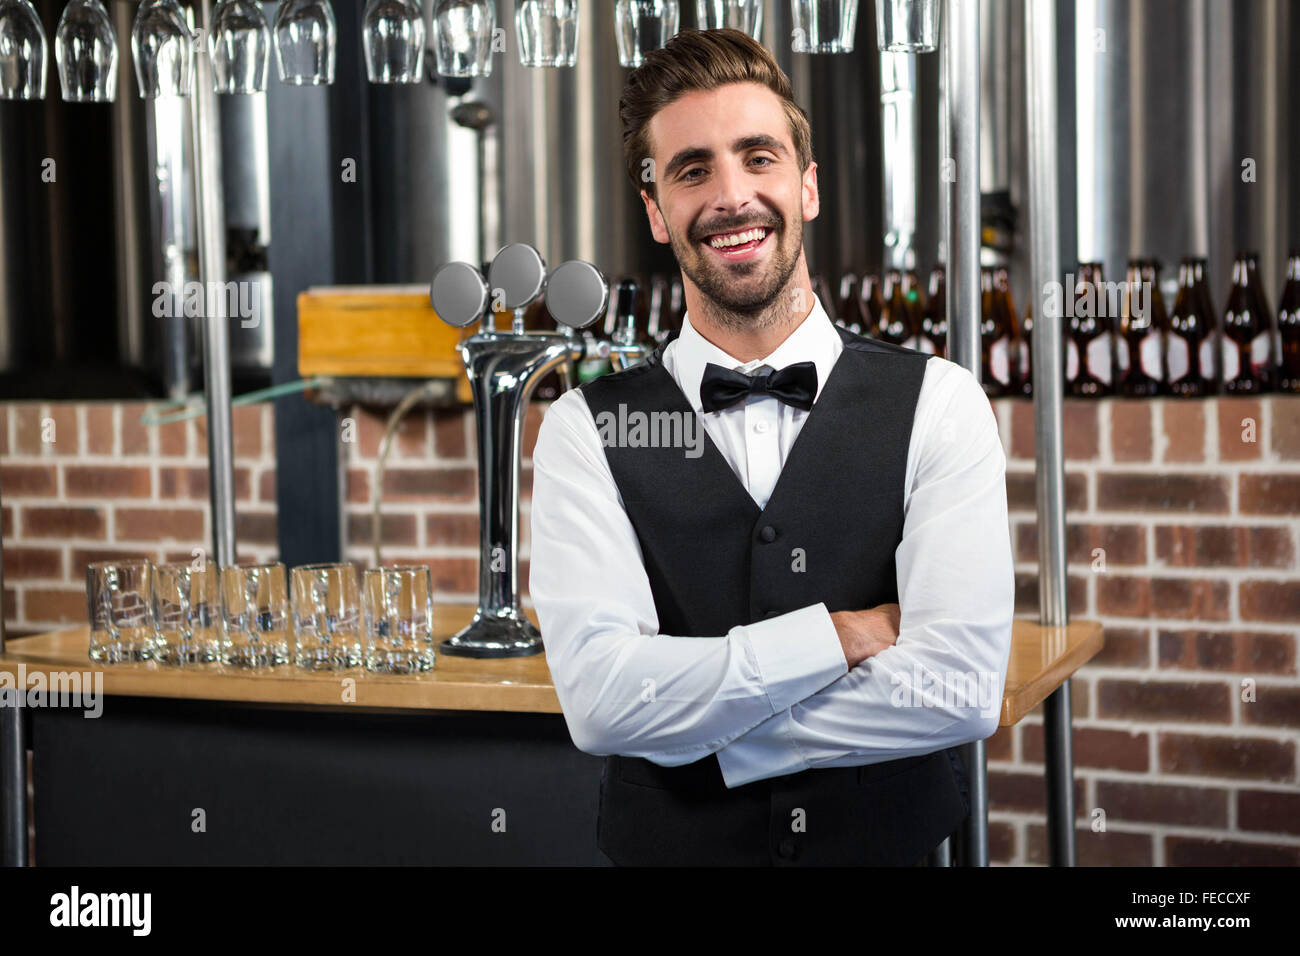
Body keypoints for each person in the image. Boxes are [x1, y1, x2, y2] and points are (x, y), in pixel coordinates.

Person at [528, 28, 1014, 866]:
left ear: (807, 186)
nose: (731, 195)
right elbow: (605, 705)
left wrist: (719, 736)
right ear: (655, 210)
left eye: (759, 157)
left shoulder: (941, 404)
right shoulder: (582, 428)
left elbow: (960, 691)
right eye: (692, 170)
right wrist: (837, 637)